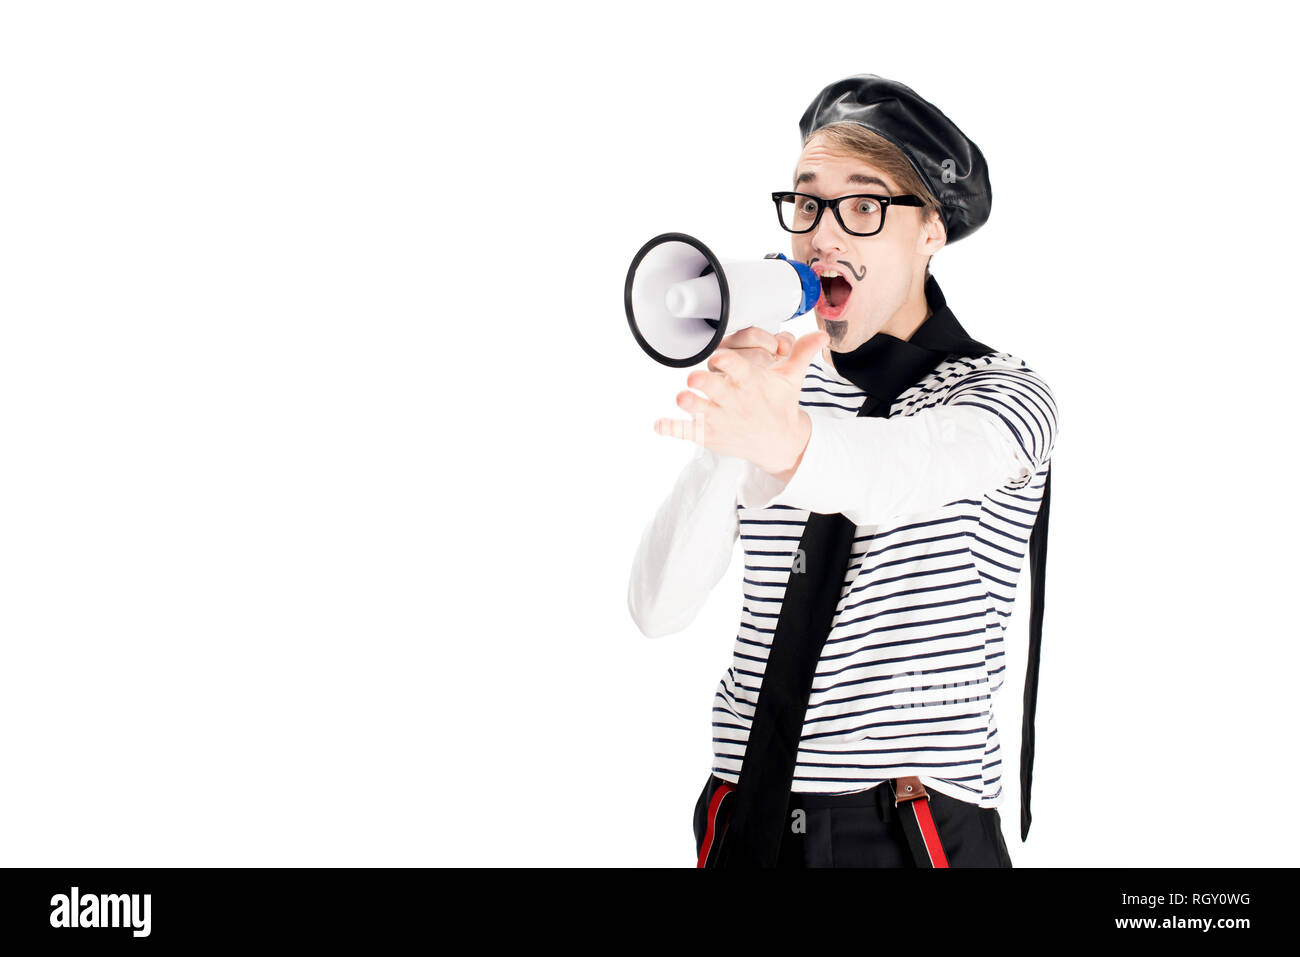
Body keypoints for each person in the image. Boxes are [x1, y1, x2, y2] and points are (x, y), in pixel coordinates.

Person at [627, 75, 1058, 868]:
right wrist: (730, 431)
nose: (823, 234)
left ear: (931, 229)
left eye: (863, 205)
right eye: (807, 202)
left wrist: (782, 438)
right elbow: (657, 606)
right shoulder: (780, 394)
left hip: (906, 828)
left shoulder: (1003, 398)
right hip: (743, 815)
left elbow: (900, 471)